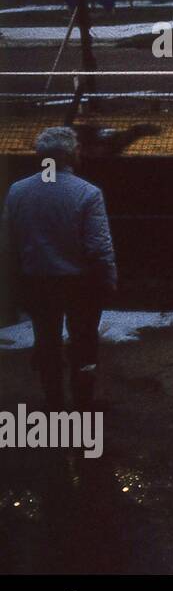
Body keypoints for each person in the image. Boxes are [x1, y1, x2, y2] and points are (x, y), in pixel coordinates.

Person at [1, 127, 116, 409]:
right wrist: (108, 279)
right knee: (84, 343)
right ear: (69, 155)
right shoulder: (87, 193)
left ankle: (53, 400)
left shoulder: (18, 190)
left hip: (37, 280)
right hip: (79, 282)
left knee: (46, 341)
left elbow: (8, 242)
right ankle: (83, 402)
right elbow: (98, 246)